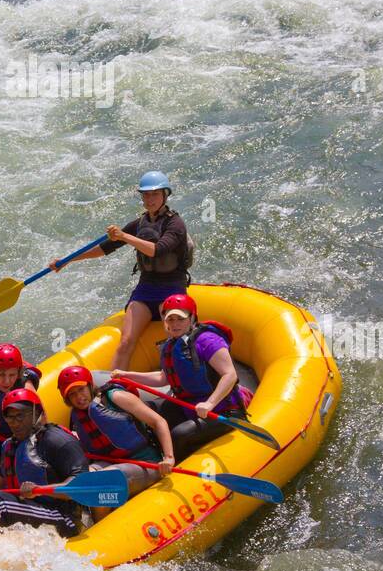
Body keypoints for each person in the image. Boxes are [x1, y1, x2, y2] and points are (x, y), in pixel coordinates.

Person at [50, 171, 194, 372]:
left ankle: (180, 379)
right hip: (146, 289)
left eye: (154, 194)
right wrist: (68, 261)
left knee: (175, 336)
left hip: (172, 288)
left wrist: (125, 236)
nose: (149, 199)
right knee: (126, 341)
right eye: (145, 195)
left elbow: (157, 249)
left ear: (165, 195)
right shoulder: (140, 223)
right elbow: (105, 248)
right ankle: (115, 386)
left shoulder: (175, 224)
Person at [112, 293, 253, 461]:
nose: (175, 324)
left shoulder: (207, 340)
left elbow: (229, 375)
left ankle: (175, 468)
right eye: (170, 319)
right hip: (189, 405)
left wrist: (210, 403)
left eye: (180, 319)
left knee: (180, 434)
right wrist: (126, 375)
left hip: (223, 410)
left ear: (192, 318)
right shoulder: (170, 345)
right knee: (147, 413)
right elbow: (162, 378)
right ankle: (152, 459)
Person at [0, 389, 90, 537]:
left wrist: (40, 489)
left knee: (0, 503)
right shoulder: (10, 446)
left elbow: (80, 486)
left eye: (20, 416)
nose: (15, 423)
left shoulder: (57, 440)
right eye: (10, 417)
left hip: (63, 517)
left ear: (36, 413)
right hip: (22, 509)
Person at [58, 364, 174, 495]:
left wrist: (169, 458)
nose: (79, 397)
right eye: (72, 394)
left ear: (90, 386)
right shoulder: (77, 417)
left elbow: (158, 422)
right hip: (110, 462)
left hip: (147, 462)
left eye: (81, 389)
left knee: (104, 477)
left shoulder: (115, 397)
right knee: (84, 476)